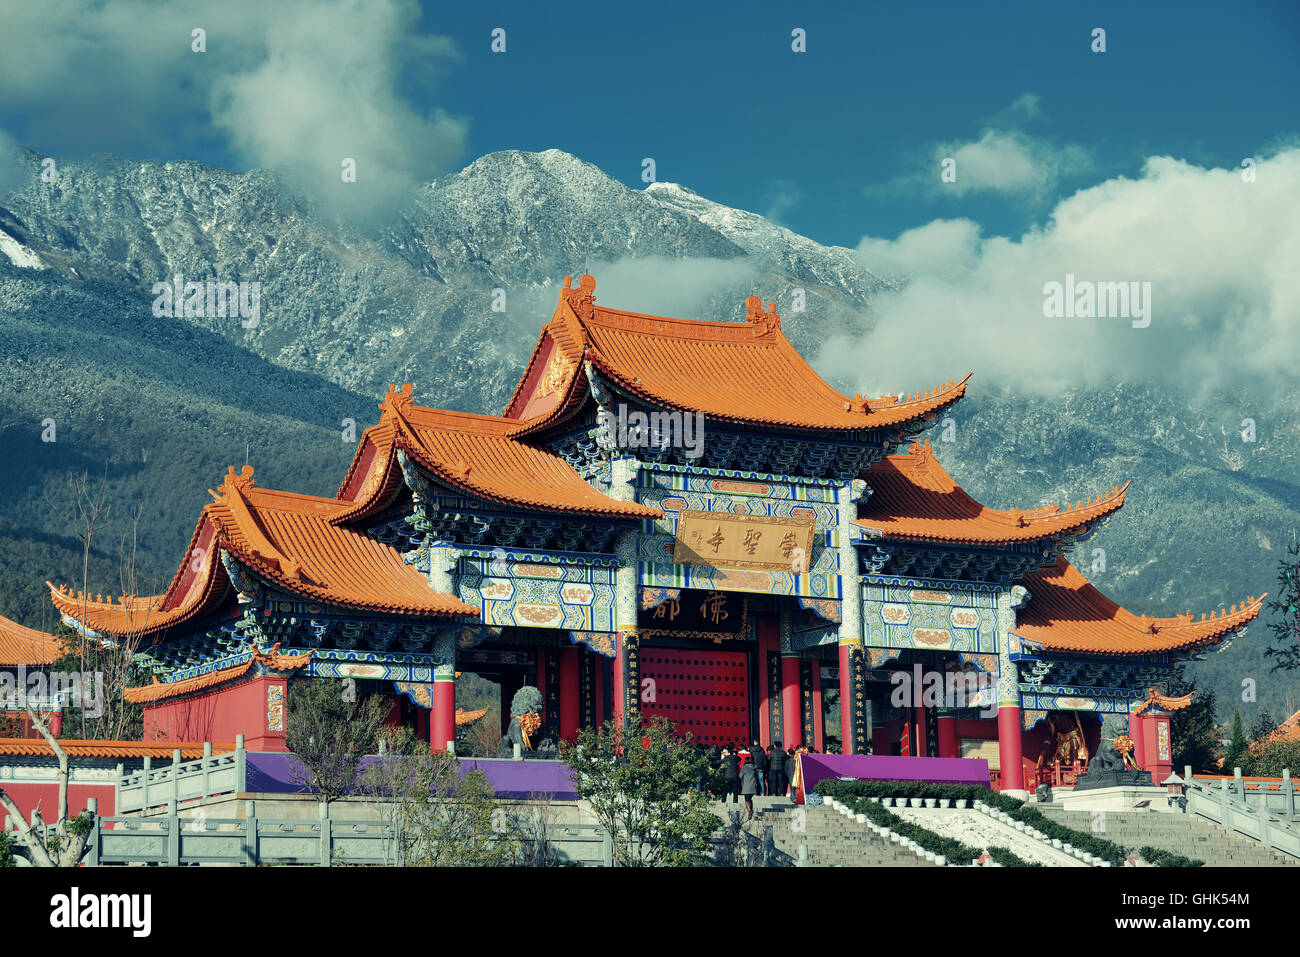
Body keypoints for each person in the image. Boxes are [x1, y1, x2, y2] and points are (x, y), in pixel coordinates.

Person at [739, 750, 759, 820]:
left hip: (746, 786)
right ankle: (751, 810)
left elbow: (740, 776)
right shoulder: (755, 767)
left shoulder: (744, 768)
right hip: (753, 785)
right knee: (750, 799)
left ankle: (750, 812)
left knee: (747, 799)